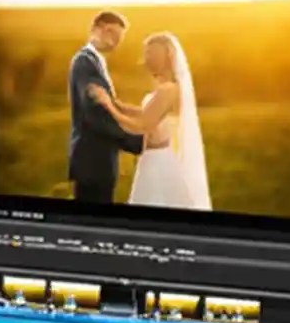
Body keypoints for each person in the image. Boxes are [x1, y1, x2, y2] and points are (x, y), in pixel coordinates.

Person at [87, 32, 212, 210]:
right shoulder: (166, 89)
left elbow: (142, 125)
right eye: (146, 53)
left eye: (152, 53)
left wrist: (108, 107)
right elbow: (145, 113)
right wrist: (117, 105)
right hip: (153, 159)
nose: (146, 59)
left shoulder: (167, 91)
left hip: (158, 163)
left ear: (167, 57)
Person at [67, 11, 144, 203]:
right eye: (111, 34)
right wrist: (134, 142)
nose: (115, 41)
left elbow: (109, 106)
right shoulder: (85, 62)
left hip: (98, 160)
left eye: (119, 37)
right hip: (92, 162)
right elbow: (95, 115)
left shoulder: (96, 61)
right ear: (96, 29)